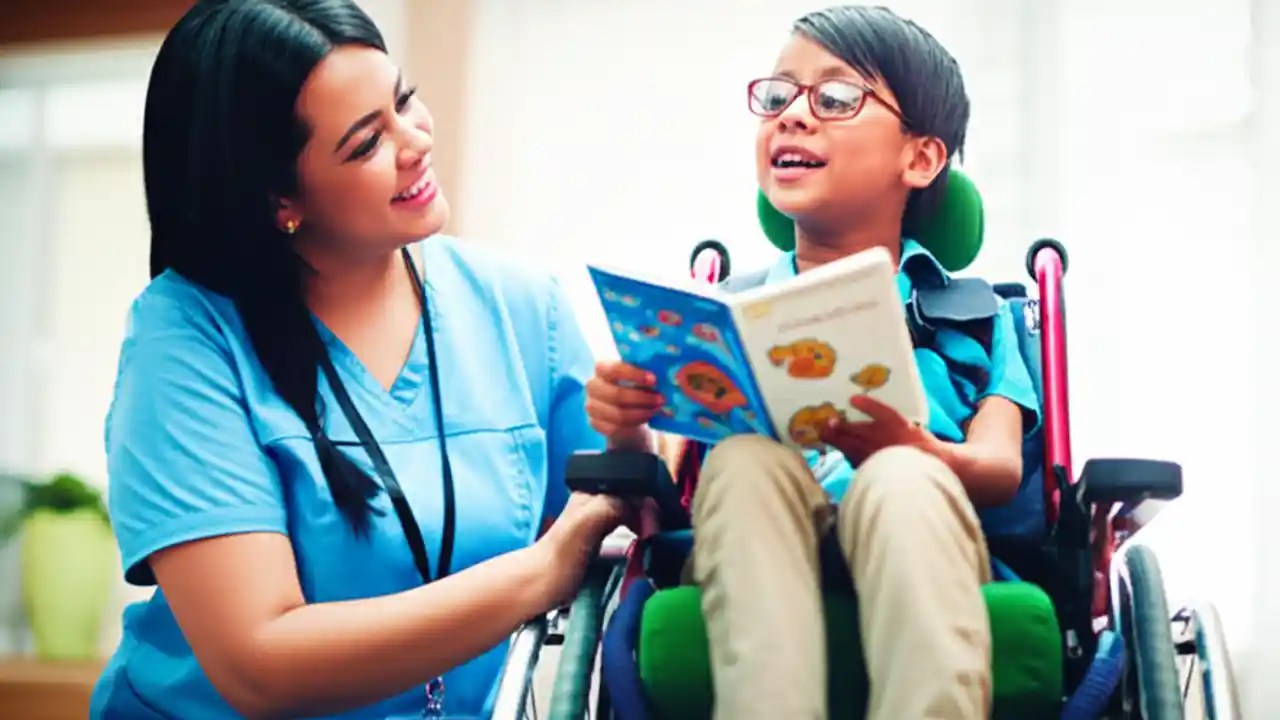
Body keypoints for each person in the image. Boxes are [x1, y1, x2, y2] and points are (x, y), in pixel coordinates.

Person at [90, 1, 632, 718]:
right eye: (367, 142)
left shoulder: (523, 308)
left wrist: (642, 436)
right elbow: (260, 664)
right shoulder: (187, 338)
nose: (416, 142)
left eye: (404, 101)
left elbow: (621, 513)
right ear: (279, 197)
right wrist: (540, 572)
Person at [586, 5, 1041, 720]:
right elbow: (666, 485)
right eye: (778, 95)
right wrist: (625, 425)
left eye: (835, 97)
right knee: (742, 461)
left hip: (918, 531)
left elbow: (1000, 467)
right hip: (753, 533)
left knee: (901, 477)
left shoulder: (978, 317)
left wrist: (919, 450)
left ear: (921, 159)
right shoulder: (718, 316)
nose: (793, 115)